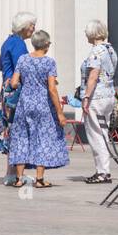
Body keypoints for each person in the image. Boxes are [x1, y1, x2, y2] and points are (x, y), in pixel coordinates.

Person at [9, 29, 70, 188]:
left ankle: (19, 179)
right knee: (42, 139)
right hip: (43, 106)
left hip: (25, 105)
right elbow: (51, 88)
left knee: (22, 138)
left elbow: (14, 83)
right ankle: (40, 179)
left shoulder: (23, 59)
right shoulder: (49, 62)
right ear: (46, 44)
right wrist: (60, 113)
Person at [0, 11, 36, 185]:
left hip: (6, 91)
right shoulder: (18, 45)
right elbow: (23, 68)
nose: (34, 29)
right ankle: (13, 174)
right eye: (32, 25)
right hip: (15, 92)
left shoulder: (8, 42)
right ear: (24, 27)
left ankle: (10, 173)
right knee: (18, 132)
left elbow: (1, 65)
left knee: (10, 131)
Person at [79, 20, 118, 185]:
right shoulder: (110, 50)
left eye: (87, 32)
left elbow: (93, 75)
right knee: (103, 133)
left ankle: (102, 172)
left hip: (96, 97)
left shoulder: (95, 52)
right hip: (109, 95)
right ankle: (104, 170)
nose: (86, 35)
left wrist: (86, 96)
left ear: (93, 34)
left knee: (96, 135)